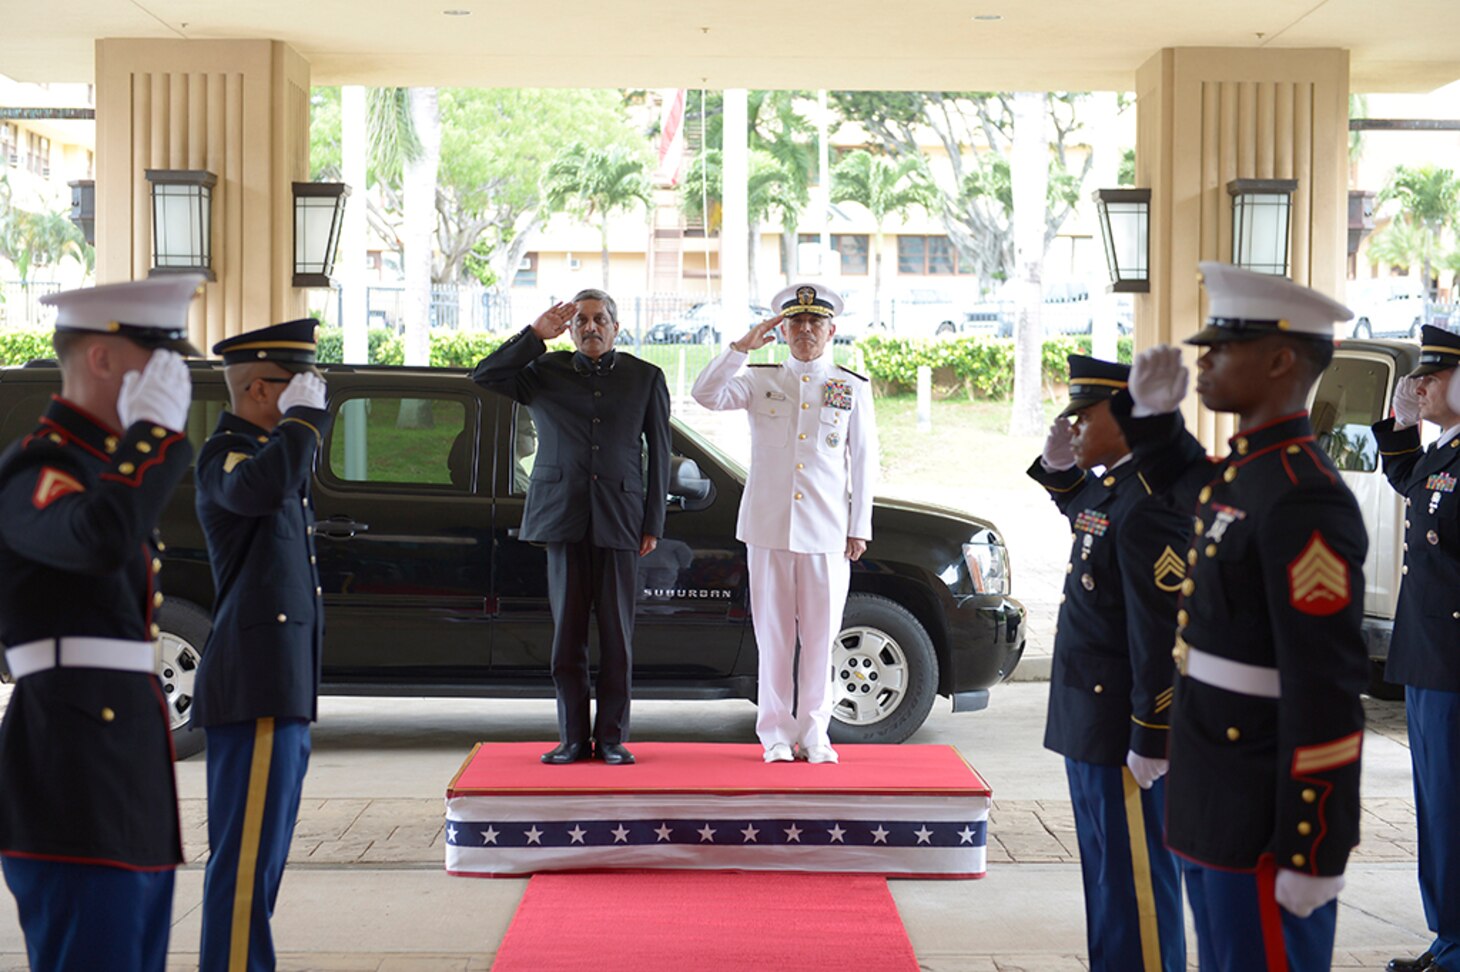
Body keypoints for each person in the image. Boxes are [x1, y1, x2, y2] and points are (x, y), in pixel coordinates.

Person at [1113, 262, 1368, 971]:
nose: (1205, 359)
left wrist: (1314, 844)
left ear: (1282, 359)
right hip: (1215, 792)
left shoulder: (1305, 498)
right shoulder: (1249, 472)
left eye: (1223, 346)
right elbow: (1200, 493)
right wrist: (1157, 426)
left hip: (1263, 815)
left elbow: (1326, 687)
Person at [0, 274, 202, 971]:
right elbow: (98, 539)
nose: (174, 381)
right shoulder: (39, 469)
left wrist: (143, 449)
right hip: (72, 780)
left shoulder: (105, 473)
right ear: (104, 359)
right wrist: (151, 439)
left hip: (124, 777)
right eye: (160, 360)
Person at [1028, 355, 1186, 972]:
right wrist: (1058, 470)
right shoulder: (1119, 485)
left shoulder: (1151, 499)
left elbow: (1161, 632)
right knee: (1107, 879)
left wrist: (1154, 731)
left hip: (1124, 725)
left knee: (1136, 884)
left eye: (1082, 418)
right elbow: (1091, 517)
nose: (1071, 429)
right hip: (1090, 717)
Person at [471, 289, 670, 765]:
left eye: (600, 319)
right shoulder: (542, 372)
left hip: (621, 520)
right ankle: (573, 738)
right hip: (561, 517)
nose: (590, 327)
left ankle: (614, 738)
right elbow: (485, 374)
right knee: (568, 637)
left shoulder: (645, 378)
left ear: (616, 327)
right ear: (570, 327)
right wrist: (535, 336)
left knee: (618, 636)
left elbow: (660, 453)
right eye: (580, 320)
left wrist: (653, 521)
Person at [192, 319, 332, 971]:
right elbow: (261, 488)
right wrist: (302, 423)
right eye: (296, 383)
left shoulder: (266, 455)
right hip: (253, 686)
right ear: (256, 388)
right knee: (245, 863)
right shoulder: (228, 455)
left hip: (281, 687)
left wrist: (297, 421)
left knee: (263, 859)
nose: (311, 393)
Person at [691, 283, 878, 764]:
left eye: (815, 323)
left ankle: (815, 731)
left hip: (827, 533)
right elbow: (705, 394)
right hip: (769, 529)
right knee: (773, 636)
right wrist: (740, 348)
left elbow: (864, 461)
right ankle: (774, 733)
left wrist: (860, 526)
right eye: (796, 323)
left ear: (831, 330)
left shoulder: (850, 386)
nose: (806, 331)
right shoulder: (759, 379)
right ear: (784, 329)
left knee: (820, 637)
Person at [1372, 325, 1460, 972]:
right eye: (1419, 377)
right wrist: (1402, 427)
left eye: (1433, 378)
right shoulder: (1447, 454)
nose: (1419, 386)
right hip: (1430, 660)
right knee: (1437, 808)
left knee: (1454, 806)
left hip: (1454, 662)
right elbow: (1415, 482)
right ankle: (1446, 937)